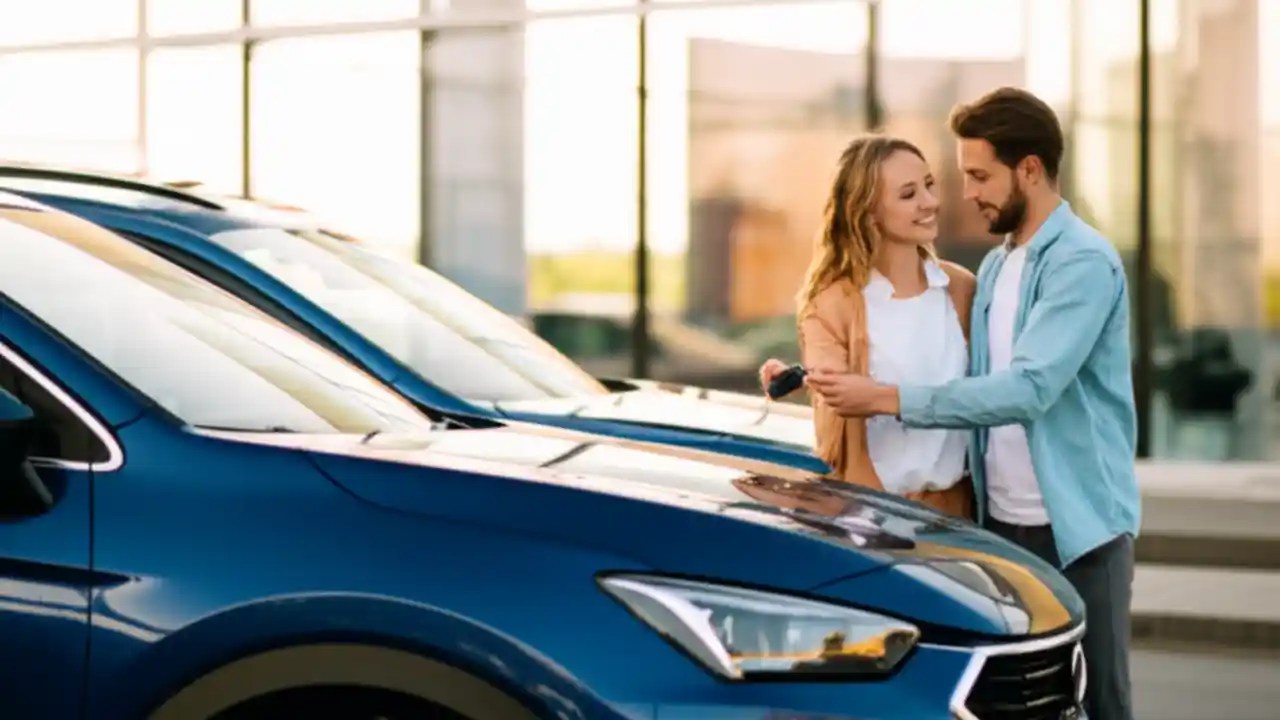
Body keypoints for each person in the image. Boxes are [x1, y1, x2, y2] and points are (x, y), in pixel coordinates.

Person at [797, 87, 1140, 720]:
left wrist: (889, 399)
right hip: (995, 522)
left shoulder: (1082, 263)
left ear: (1029, 170)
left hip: (1076, 526)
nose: (963, 194)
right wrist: (802, 375)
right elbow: (946, 366)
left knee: (1099, 699)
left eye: (978, 176)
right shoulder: (997, 268)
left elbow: (1029, 389)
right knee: (1006, 702)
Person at [759, 134, 977, 520]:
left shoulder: (961, 290)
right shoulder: (832, 303)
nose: (930, 202)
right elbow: (838, 393)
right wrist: (809, 379)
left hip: (957, 519)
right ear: (868, 212)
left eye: (929, 185)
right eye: (908, 195)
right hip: (868, 517)